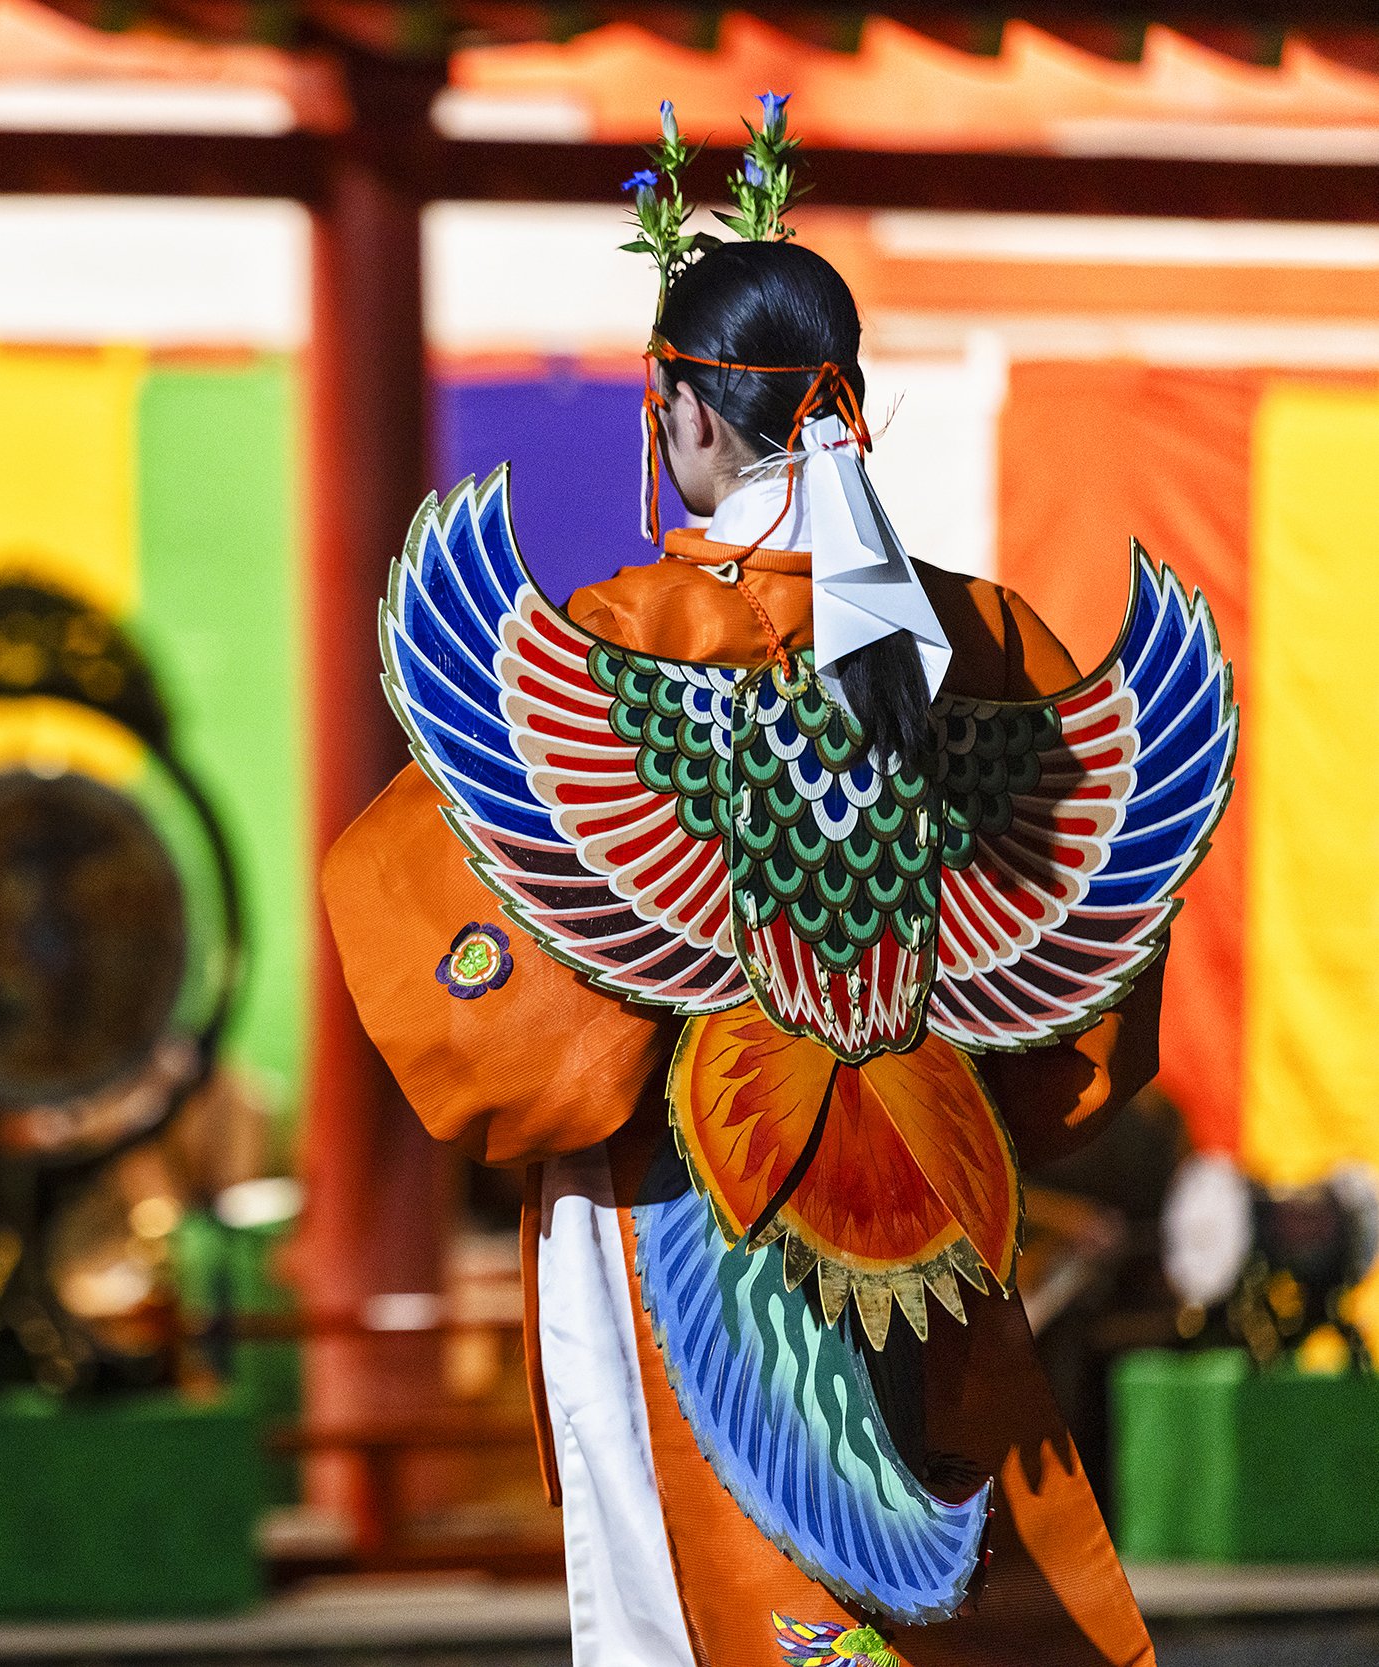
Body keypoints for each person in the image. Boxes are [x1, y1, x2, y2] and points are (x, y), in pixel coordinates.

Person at [324, 99, 1234, 1667]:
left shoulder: (617, 637)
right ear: (846, 405)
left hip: (681, 1187)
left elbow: (435, 932)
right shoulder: (994, 643)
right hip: (921, 1177)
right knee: (937, 1546)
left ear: (684, 409)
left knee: (705, 1574)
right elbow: (1098, 965)